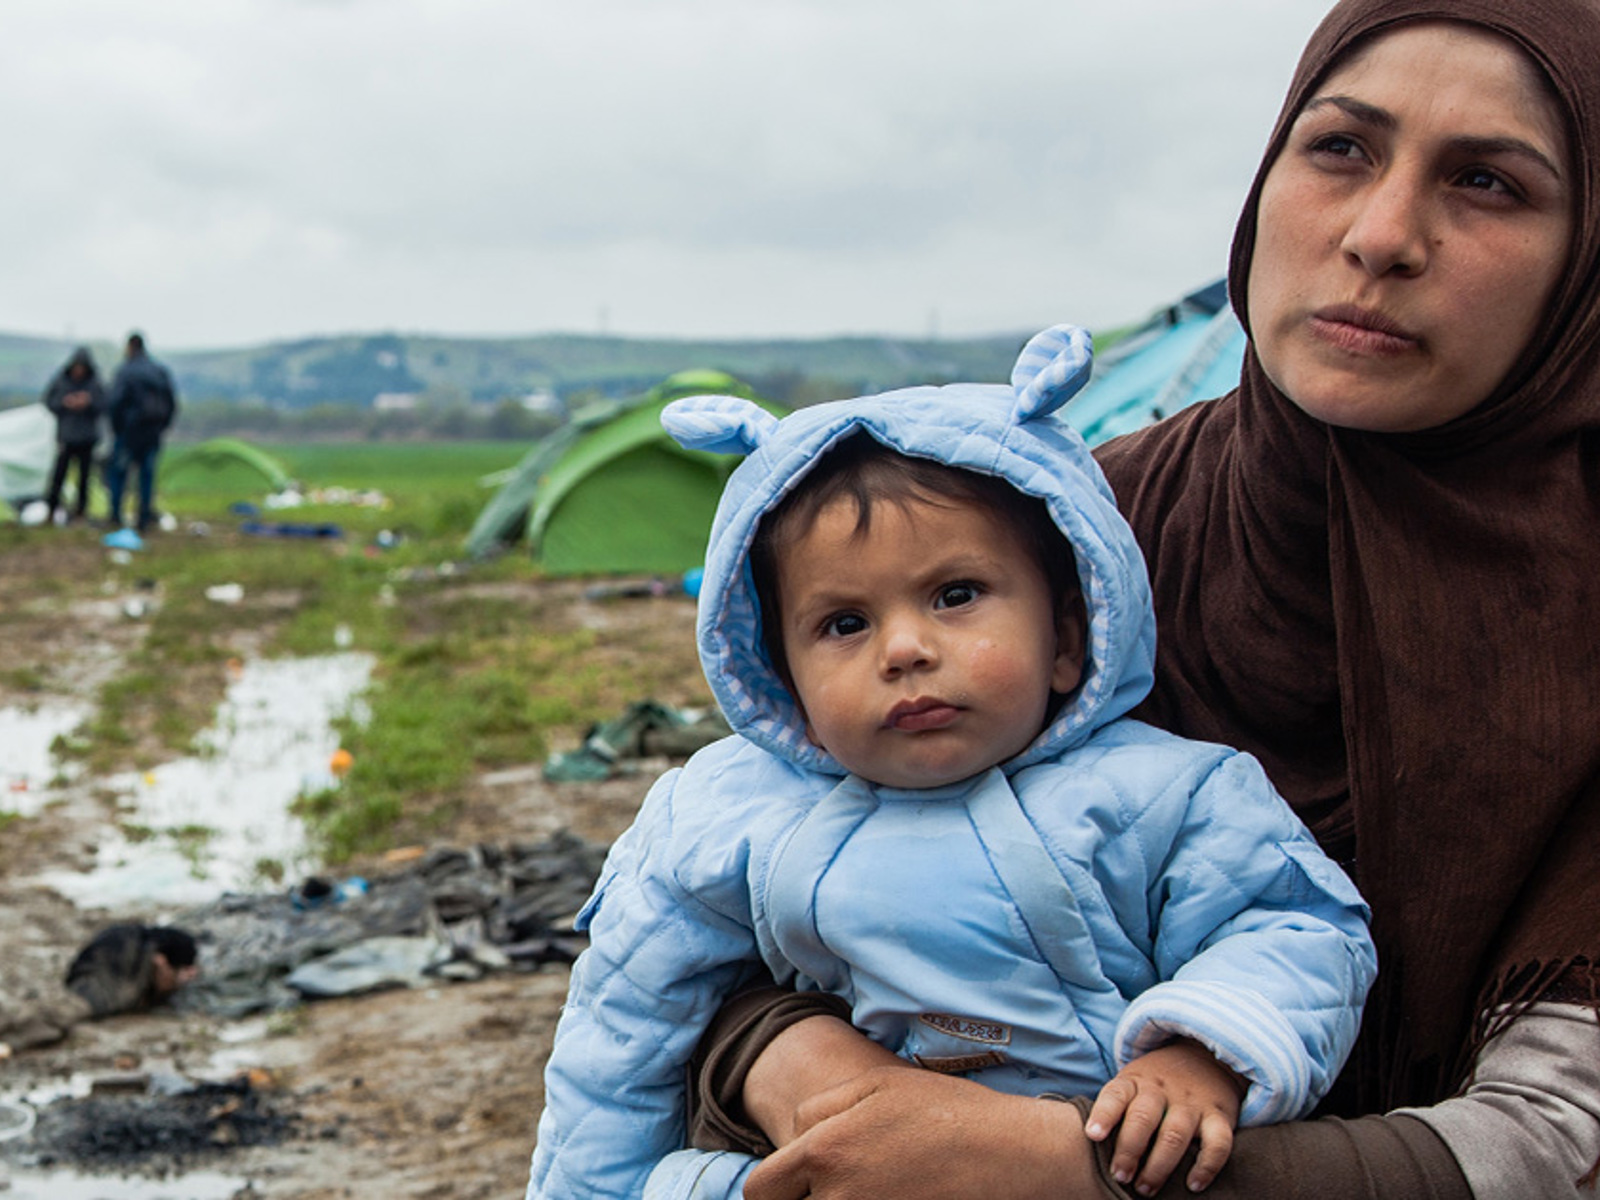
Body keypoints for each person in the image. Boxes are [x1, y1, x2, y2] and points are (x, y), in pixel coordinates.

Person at [682, 3, 1600, 1199]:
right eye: (1338, 148)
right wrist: (796, 1065)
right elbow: (729, 899)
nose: (1380, 235)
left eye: (1485, 182)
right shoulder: (1078, 537)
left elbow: (1550, 1143)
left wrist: (1057, 1169)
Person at [525, 334, 1376, 1200]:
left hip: (1077, 1160)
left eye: (956, 595)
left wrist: (1203, 1054)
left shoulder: (1166, 794)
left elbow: (1298, 928)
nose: (904, 648)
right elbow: (620, 1030)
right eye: (844, 624)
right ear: (782, 676)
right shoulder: (723, 814)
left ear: (1069, 638)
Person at [105, 331, 179, 533]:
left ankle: (115, 515)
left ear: (130, 347)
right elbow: (171, 403)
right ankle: (144, 517)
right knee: (146, 476)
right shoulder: (159, 371)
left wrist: (117, 429)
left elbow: (114, 403)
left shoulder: (126, 371)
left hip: (128, 433)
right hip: (153, 432)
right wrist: (162, 427)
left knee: (119, 474)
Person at [65, 923, 200, 1018]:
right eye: (174, 976)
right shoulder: (112, 982)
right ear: (161, 962)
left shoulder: (147, 946)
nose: (180, 984)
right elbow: (78, 1006)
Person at [40, 347, 107, 525]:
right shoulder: (62, 381)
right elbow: (48, 401)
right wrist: (65, 403)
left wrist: (88, 402)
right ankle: (51, 510)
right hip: (67, 437)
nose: (79, 371)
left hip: (87, 438)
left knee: (84, 478)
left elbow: (104, 404)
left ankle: (80, 513)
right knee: (58, 476)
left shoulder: (94, 383)